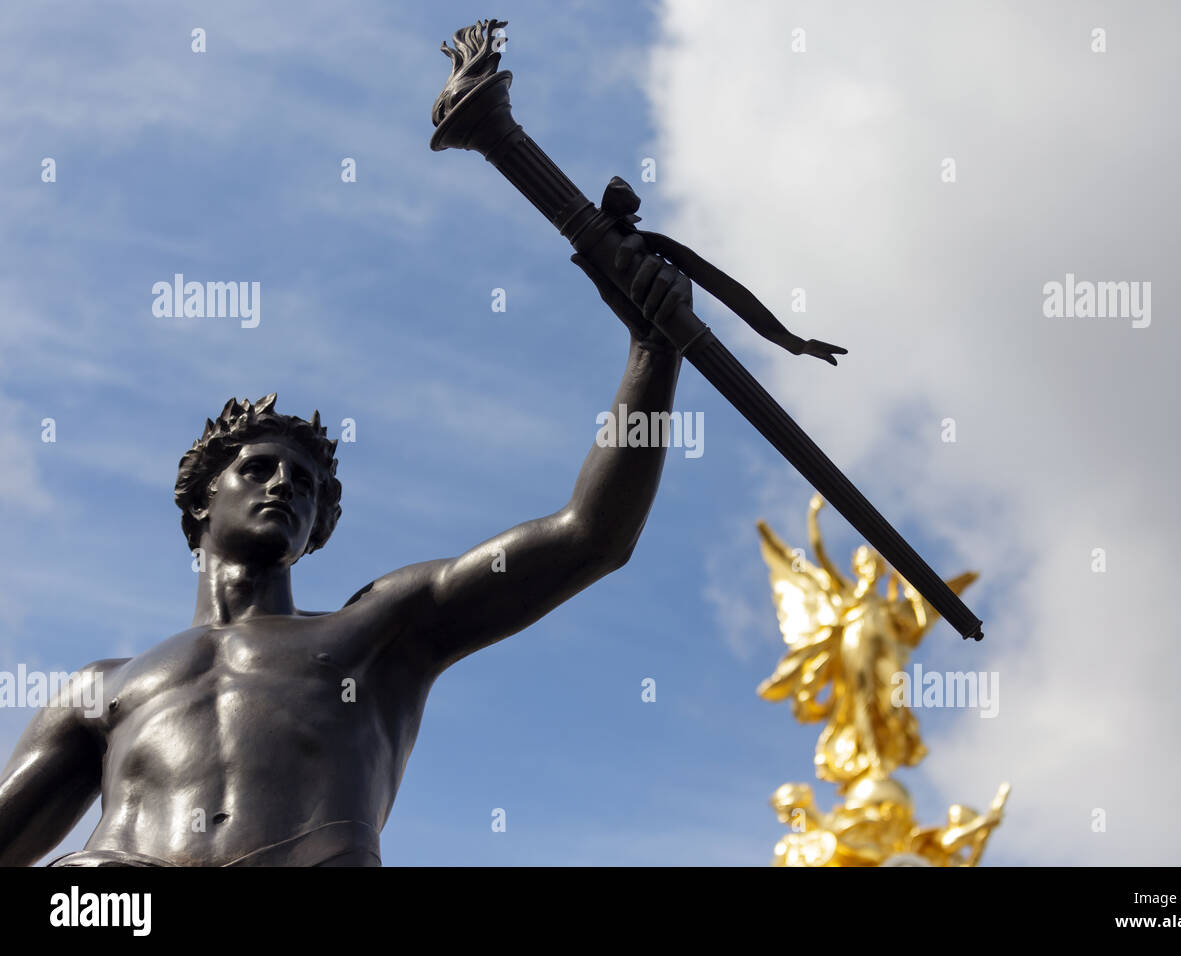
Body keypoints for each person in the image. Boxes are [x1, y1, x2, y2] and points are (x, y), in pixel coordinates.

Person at [0, 234, 689, 866]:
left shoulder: (377, 628)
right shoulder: (102, 688)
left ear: (318, 531)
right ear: (202, 498)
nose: (283, 487)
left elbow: (589, 535)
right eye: (259, 469)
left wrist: (652, 356)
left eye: (304, 484)